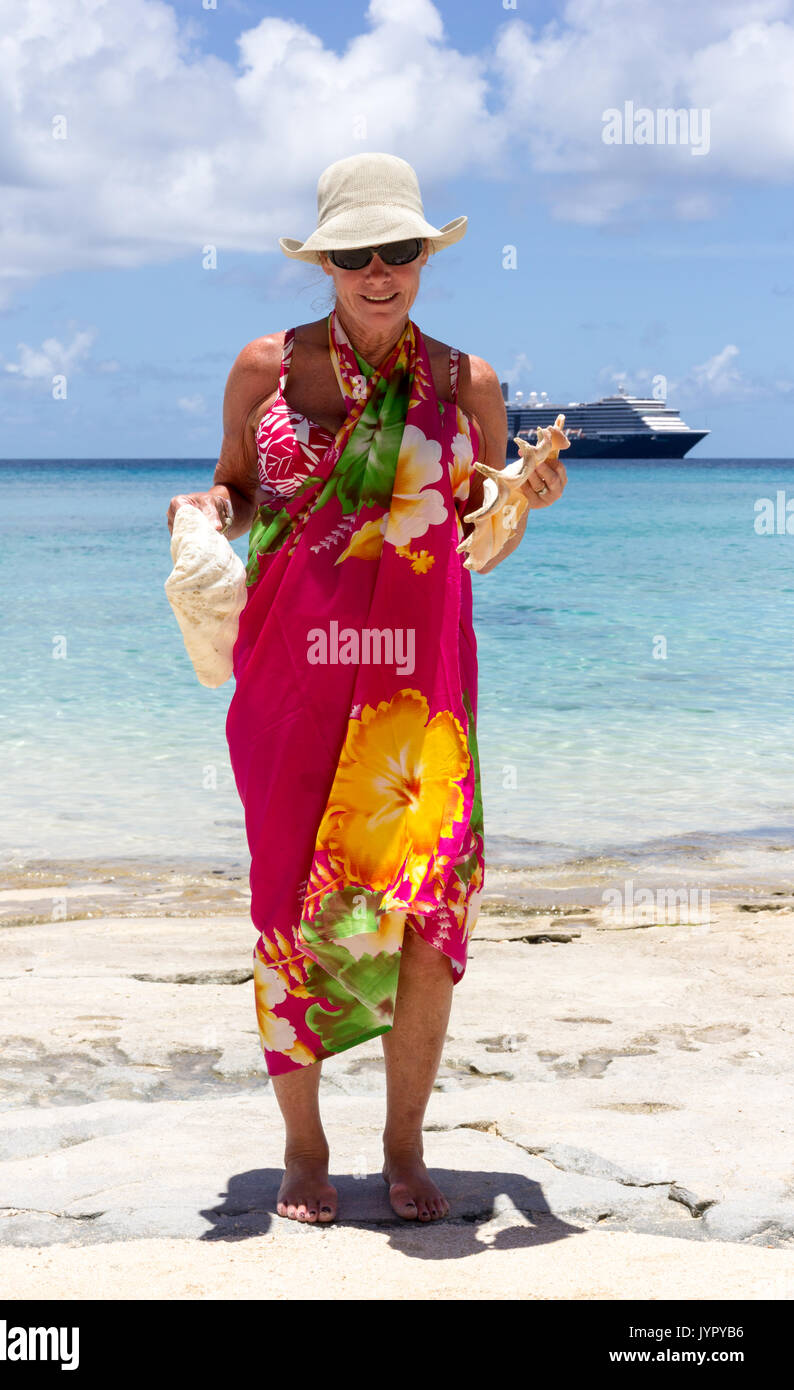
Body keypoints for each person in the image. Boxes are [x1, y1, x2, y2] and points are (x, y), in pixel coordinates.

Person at [167, 152, 567, 1226]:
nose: (377, 271)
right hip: (290, 684)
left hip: (419, 697)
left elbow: (484, 524)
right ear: (328, 262)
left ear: (422, 259)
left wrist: (524, 495)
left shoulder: (462, 383)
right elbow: (241, 490)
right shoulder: (266, 367)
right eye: (356, 254)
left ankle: (402, 1141)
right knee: (286, 910)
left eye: (397, 251)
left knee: (427, 917)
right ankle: (303, 1147)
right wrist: (205, 513)